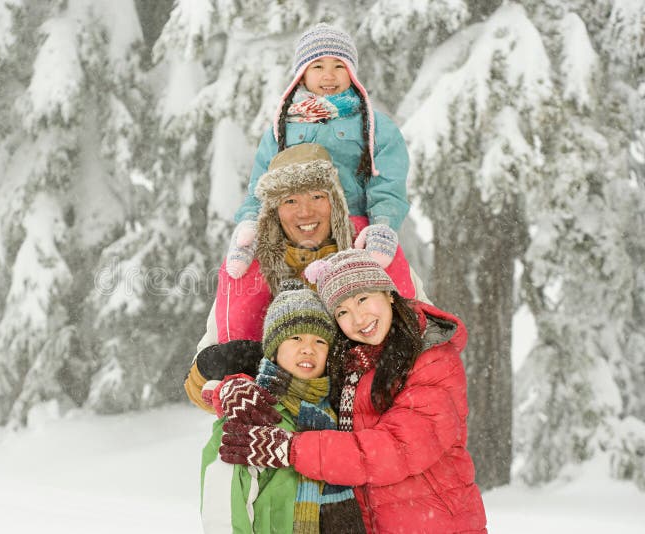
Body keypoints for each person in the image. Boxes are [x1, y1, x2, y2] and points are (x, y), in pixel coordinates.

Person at [217, 249, 488, 533]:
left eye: (362, 299)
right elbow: (294, 382)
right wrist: (233, 388)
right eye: (342, 312)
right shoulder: (350, 362)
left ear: (388, 293)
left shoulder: (433, 359)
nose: (358, 319)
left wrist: (292, 449)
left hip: (438, 524)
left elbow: (395, 448)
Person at [184, 143, 423, 412]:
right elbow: (200, 385)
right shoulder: (250, 270)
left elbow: (428, 336)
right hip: (277, 423)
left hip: (367, 417)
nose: (305, 212)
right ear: (274, 210)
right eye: (290, 201)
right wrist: (217, 364)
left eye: (317, 196)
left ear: (335, 201)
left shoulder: (372, 256)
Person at [225, 23, 410, 280]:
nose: (329, 76)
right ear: (302, 75)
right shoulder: (283, 126)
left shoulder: (373, 125)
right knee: (239, 284)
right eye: (318, 66)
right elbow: (261, 185)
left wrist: (383, 226)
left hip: (354, 231)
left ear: (352, 72)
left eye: (339, 66)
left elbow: (389, 183)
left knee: (394, 287)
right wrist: (250, 224)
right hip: (294, 232)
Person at [200, 280, 365, 533]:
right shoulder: (250, 408)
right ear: (274, 350)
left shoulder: (338, 411)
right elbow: (223, 506)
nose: (308, 349)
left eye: (320, 341)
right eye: (296, 337)